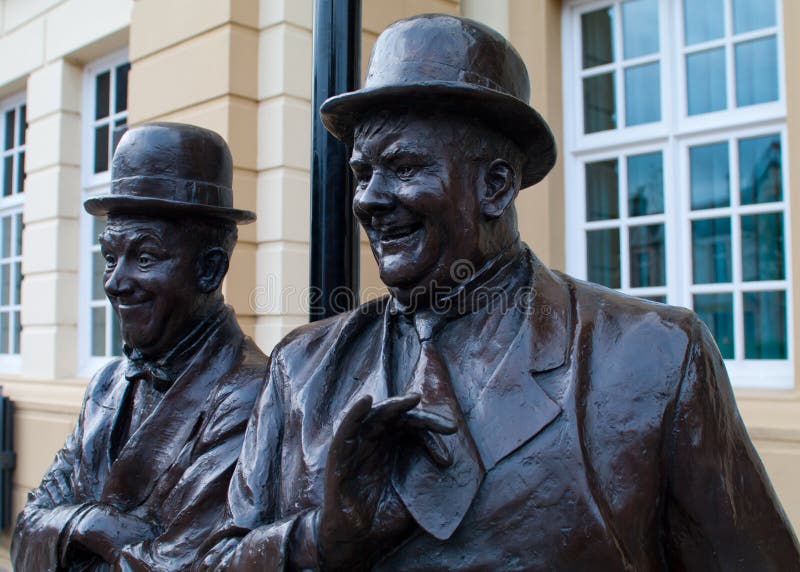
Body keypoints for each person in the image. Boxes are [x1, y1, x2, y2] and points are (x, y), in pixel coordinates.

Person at [198, 14, 800, 570]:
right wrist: (316, 541)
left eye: (404, 167)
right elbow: (215, 556)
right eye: (362, 173)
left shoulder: (655, 358)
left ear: (495, 185)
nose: (369, 200)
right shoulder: (302, 369)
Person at [12, 122, 268, 571]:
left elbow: (175, 564)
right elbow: (26, 529)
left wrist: (62, 529)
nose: (115, 282)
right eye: (110, 258)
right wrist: (94, 526)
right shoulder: (106, 385)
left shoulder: (250, 394)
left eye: (144, 258)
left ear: (209, 269)